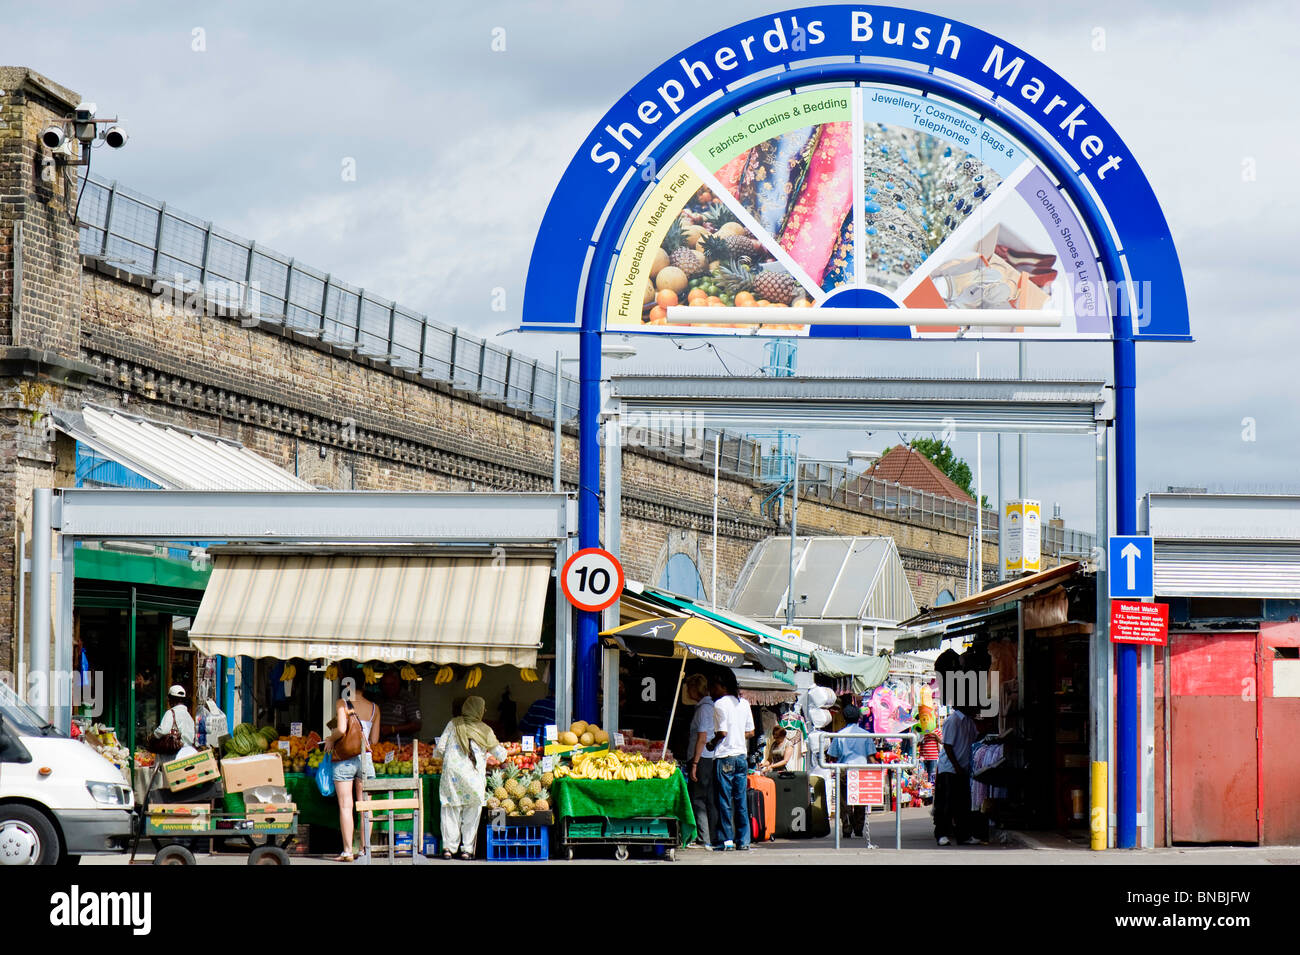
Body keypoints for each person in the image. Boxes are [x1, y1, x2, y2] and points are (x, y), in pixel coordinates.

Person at [436, 696, 507, 860]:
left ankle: (448, 848)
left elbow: (440, 748)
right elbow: (500, 754)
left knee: (450, 809)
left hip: (452, 774)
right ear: (479, 710)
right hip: (473, 776)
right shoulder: (485, 730)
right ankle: (467, 849)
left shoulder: (454, 723)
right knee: (472, 811)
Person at [324, 671, 379, 862]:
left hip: (345, 759)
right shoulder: (374, 708)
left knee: (346, 805)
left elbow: (341, 729)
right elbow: (374, 739)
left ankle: (348, 851)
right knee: (366, 805)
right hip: (366, 758)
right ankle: (364, 850)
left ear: (348, 686)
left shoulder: (342, 703)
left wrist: (330, 739)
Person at [707, 669, 754, 851]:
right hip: (741, 756)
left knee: (724, 800)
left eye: (713, 687)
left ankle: (726, 840)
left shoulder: (719, 704)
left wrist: (712, 744)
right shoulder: (744, 703)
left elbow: (722, 733)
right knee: (740, 800)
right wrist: (738, 736)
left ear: (722, 686)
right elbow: (751, 732)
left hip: (725, 756)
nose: (711, 691)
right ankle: (743, 840)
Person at [825, 704, 875, 838]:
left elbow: (833, 756)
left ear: (844, 718)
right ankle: (858, 828)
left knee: (844, 801)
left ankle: (846, 828)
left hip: (844, 769)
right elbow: (871, 756)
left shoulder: (839, 735)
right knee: (860, 801)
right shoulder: (865, 734)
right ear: (859, 718)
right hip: (861, 769)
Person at [934, 704, 978, 846]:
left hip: (962, 768)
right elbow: (947, 745)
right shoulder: (953, 720)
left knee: (962, 804)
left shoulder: (969, 722)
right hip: (950, 768)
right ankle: (941, 834)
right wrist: (957, 766)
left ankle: (963, 835)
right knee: (946, 803)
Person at [683, 673, 719, 849]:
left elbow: (702, 737)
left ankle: (705, 837)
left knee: (699, 798)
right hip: (707, 757)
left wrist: (695, 764)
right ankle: (710, 836)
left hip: (702, 757)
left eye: (689, 687)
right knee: (708, 798)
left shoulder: (704, 708)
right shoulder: (708, 706)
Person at [151, 685, 195, 764]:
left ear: (171, 699)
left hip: (174, 755)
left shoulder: (171, 713)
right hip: (188, 753)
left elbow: (163, 730)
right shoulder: (188, 715)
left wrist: (154, 735)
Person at [377, 669, 422, 743]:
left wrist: (392, 729)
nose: (388, 688)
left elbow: (417, 725)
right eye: (385, 684)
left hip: (401, 746)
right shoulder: (379, 698)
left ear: (398, 683)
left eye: (392, 684)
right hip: (380, 747)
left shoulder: (407, 699)